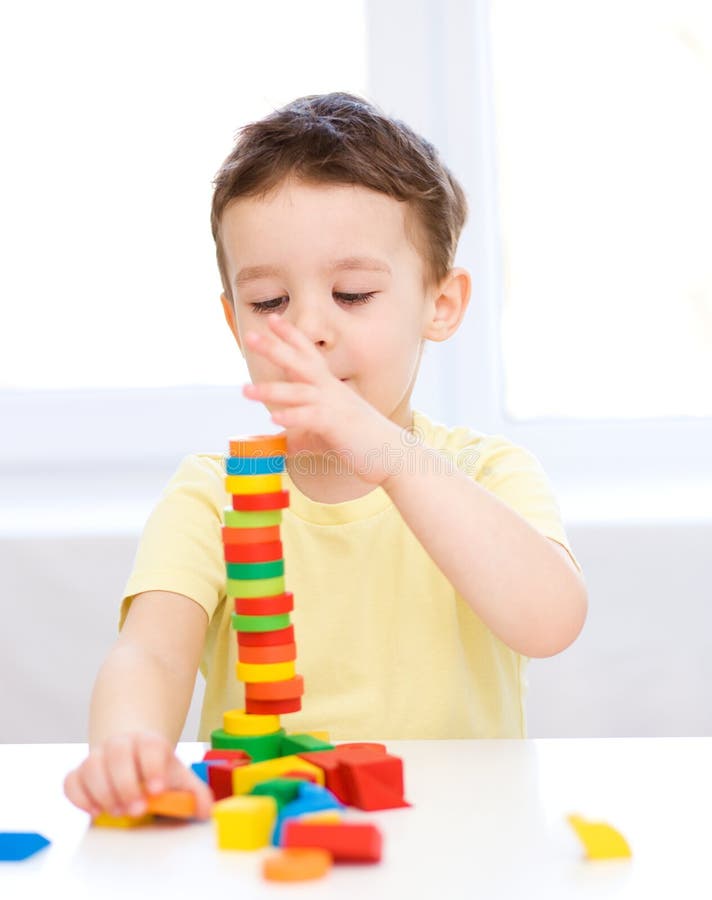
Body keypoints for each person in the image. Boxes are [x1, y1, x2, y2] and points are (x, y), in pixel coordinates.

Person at [64, 92, 588, 821]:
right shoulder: (213, 493)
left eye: (352, 293)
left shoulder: (487, 474)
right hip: (274, 839)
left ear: (440, 304)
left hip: (464, 838)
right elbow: (152, 654)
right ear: (234, 322)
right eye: (270, 302)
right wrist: (129, 748)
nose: (309, 327)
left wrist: (390, 456)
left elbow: (549, 621)